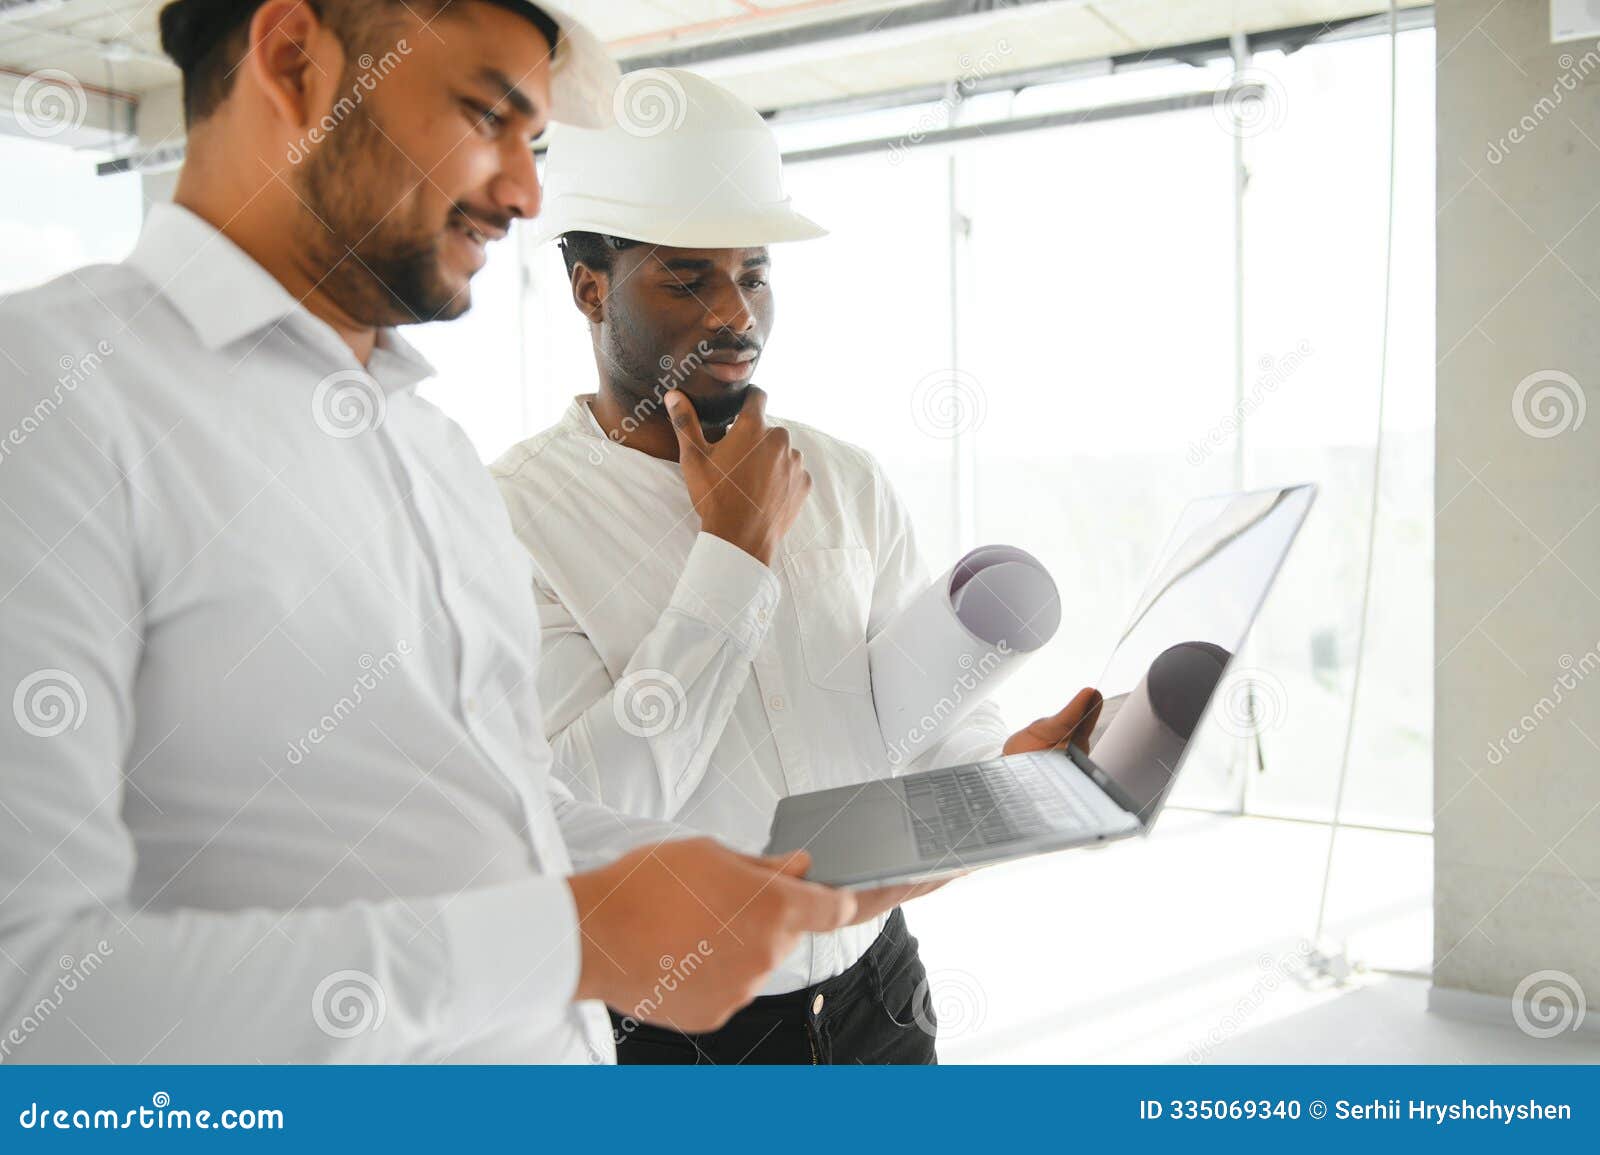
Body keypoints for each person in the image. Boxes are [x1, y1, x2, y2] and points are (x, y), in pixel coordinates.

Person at [0, 0, 921, 1064]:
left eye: (531, 145)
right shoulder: (49, 397)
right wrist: (570, 938)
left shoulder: (423, 449)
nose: (525, 193)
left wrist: (725, 879)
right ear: (295, 60)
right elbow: (32, 996)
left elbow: (501, 815)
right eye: (487, 116)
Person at [492, 69, 1104, 1064]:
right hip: (679, 1032)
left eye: (756, 272)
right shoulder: (507, 518)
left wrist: (1004, 784)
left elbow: (930, 726)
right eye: (687, 277)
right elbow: (584, 806)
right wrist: (733, 554)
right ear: (588, 287)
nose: (734, 312)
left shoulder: (847, 479)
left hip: (879, 992)